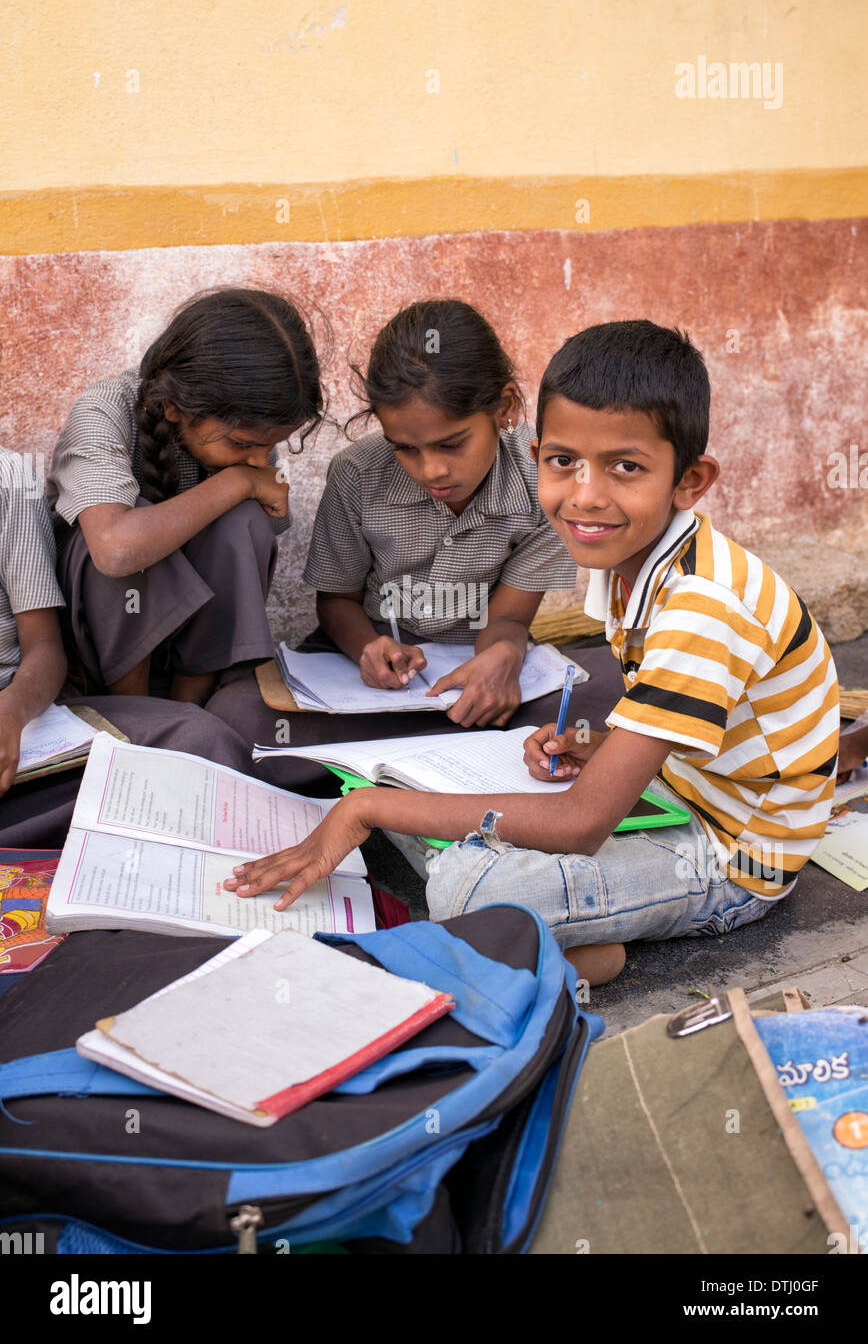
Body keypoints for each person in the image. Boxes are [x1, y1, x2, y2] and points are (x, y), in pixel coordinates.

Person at [224, 321, 840, 987]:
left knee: (464, 884)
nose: (585, 494)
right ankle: (551, 940)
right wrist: (599, 743)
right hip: (683, 791)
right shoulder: (630, 552)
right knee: (423, 808)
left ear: (689, 481)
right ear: (539, 453)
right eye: (564, 462)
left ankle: (550, 941)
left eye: (625, 467)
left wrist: (365, 808)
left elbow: (578, 826)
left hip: (735, 859)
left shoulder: (703, 605)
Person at [206, 298, 590, 789]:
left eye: (452, 444)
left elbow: (510, 619)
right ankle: (440, 755)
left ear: (506, 407)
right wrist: (368, 647)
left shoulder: (544, 481)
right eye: (405, 448)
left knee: (590, 712)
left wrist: (504, 658)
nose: (431, 470)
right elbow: (337, 602)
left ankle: (395, 759)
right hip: (373, 680)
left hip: (482, 667)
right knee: (237, 716)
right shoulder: (359, 474)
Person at [46, 288, 323, 705]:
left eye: (266, 446)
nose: (258, 458)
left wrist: (242, 484)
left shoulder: (250, 432)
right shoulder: (103, 411)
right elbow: (115, 550)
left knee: (243, 521)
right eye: (244, 443)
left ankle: (191, 707)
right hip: (98, 645)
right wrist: (237, 483)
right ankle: (138, 712)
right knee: (140, 530)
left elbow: (250, 545)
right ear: (175, 407)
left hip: (186, 647)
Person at [0, 445, 259, 848]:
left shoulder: (10, 479)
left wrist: (12, 713)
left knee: (202, 740)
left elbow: (45, 647)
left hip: (24, 731)